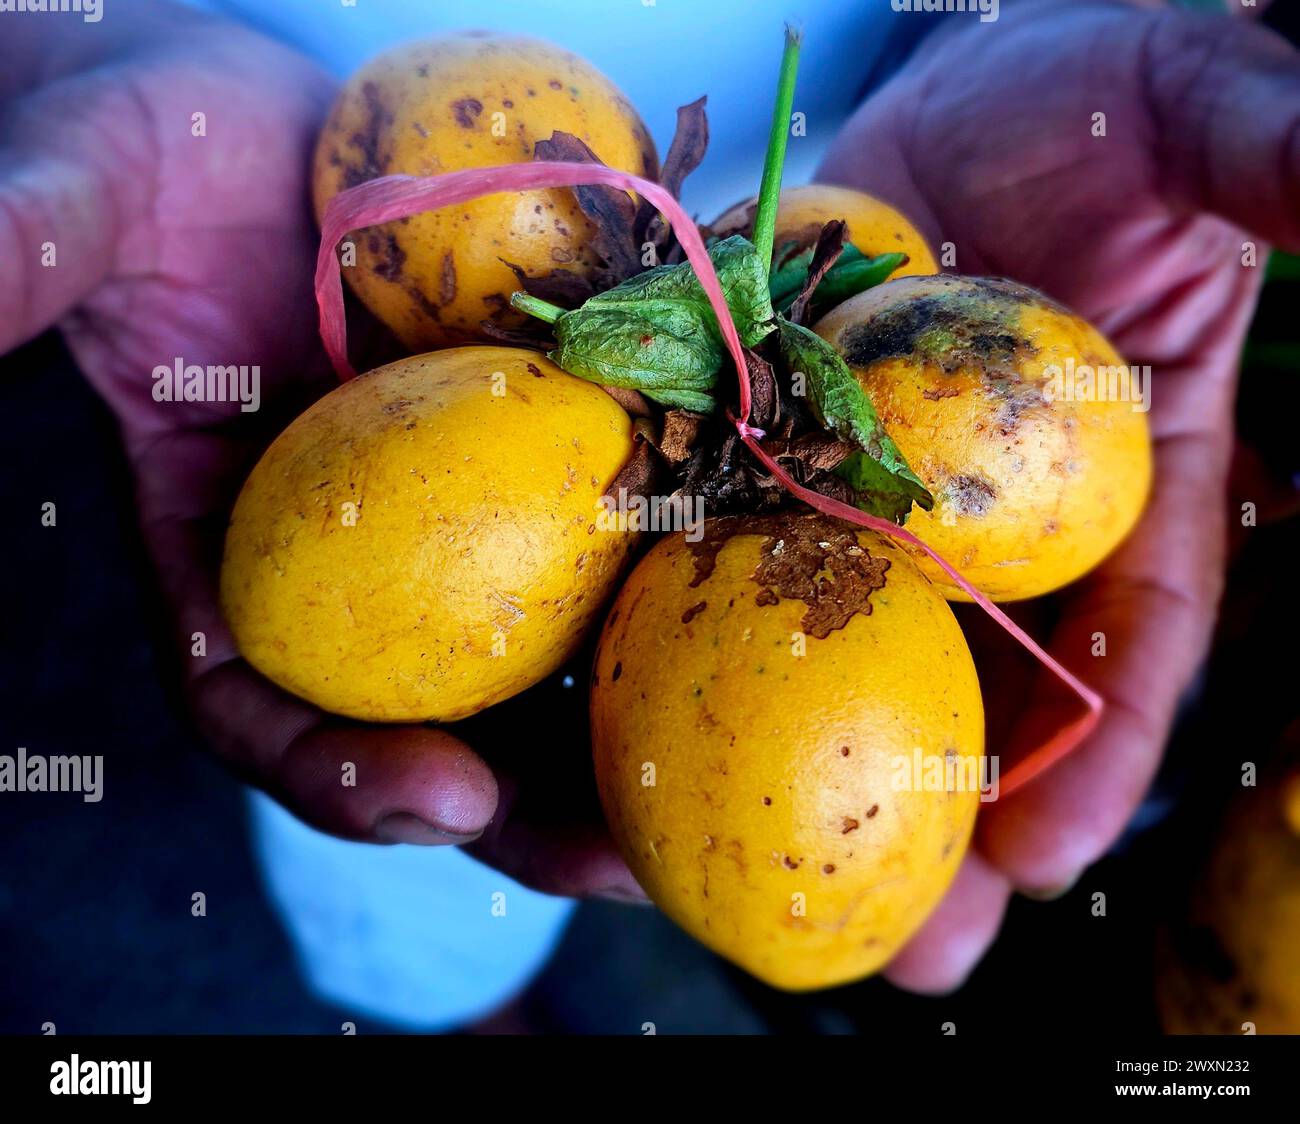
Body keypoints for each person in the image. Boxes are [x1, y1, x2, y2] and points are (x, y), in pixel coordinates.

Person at [2, 0, 1295, 1024]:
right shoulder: (573, 394)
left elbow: (1085, 447)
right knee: (396, 852)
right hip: (595, 249)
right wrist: (64, 33)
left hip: (768, 211)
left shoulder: (806, 376)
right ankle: (436, 1002)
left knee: (448, 804)